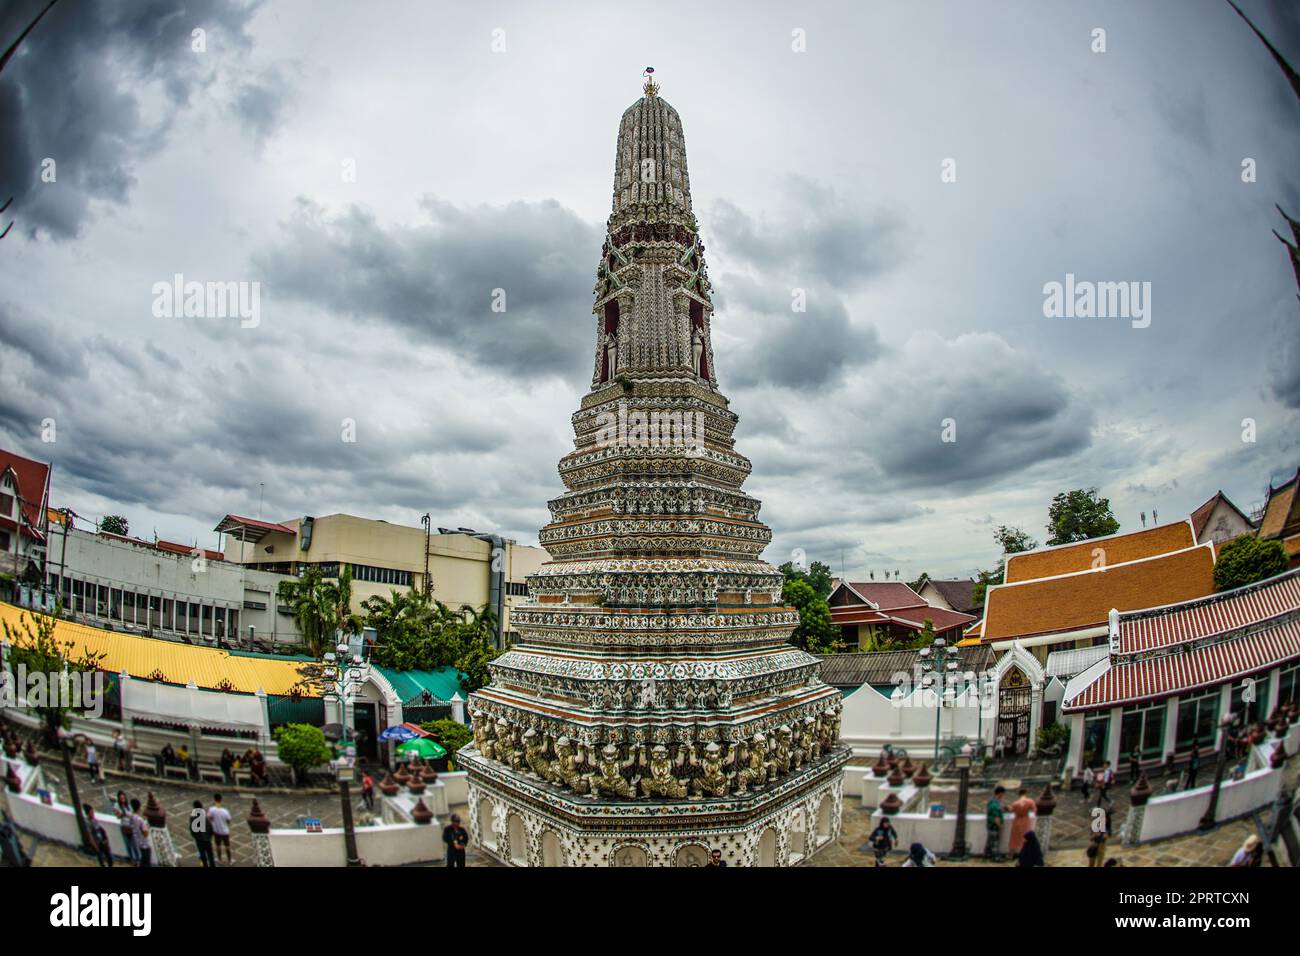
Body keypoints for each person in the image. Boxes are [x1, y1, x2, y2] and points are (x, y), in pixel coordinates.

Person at [114, 791, 139, 866]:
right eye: (121, 798)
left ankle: (137, 859)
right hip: (124, 827)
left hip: (130, 826)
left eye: (124, 798)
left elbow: (131, 814)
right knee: (128, 844)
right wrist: (123, 814)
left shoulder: (128, 805)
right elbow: (118, 816)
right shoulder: (117, 805)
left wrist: (124, 814)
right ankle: (132, 859)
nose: (123, 799)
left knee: (134, 844)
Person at [1008, 787, 1036, 856]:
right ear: (1025, 793)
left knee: (1014, 837)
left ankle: (1011, 854)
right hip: (1025, 820)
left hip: (1017, 821)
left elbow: (1011, 810)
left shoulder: (1015, 803)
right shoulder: (1030, 801)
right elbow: (1035, 810)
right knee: (1026, 838)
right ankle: (1027, 854)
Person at [207, 793, 232, 864]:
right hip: (224, 831)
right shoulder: (225, 811)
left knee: (218, 846)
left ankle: (219, 859)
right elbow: (228, 821)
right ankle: (229, 860)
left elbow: (209, 818)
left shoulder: (211, 809)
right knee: (227, 846)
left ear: (214, 799)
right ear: (221, 800)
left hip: (216, 831)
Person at [190, 799, 216, 868]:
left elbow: (192, 830)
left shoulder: (193, 817)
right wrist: (210, 837)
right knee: (210, 856)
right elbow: (211, 828)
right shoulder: (205, 816)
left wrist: (196, 837)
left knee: (203, 855)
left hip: (199, 840)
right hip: (207, 840)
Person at [128, 798, 151, 867]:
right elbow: (145, 834)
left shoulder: (131, 817)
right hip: (144, 843)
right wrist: (147, 826)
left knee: (143, 859)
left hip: (137, 841)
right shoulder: (140, 820)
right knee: (146, 861)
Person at [985, 785, 1006, 860]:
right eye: (1003, 794)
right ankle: (995, 857)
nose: (1003, 796)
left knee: (990, 841)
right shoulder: (995, 805)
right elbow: (996, 818)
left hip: (990, 825)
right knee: (994, 842)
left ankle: (987, 854)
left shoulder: (992, 802)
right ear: (1000, 793)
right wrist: (1000, 825)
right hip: (994, 826)